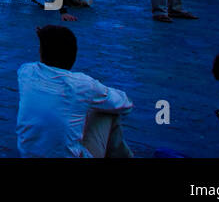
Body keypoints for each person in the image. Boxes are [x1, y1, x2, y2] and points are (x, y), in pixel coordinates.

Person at [16, 25, 133, 158]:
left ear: (41, 53)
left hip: (28, 154)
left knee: (82, 108)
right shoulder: (82, 85)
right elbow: (124, 105)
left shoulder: (26, 72)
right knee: (108, 112)